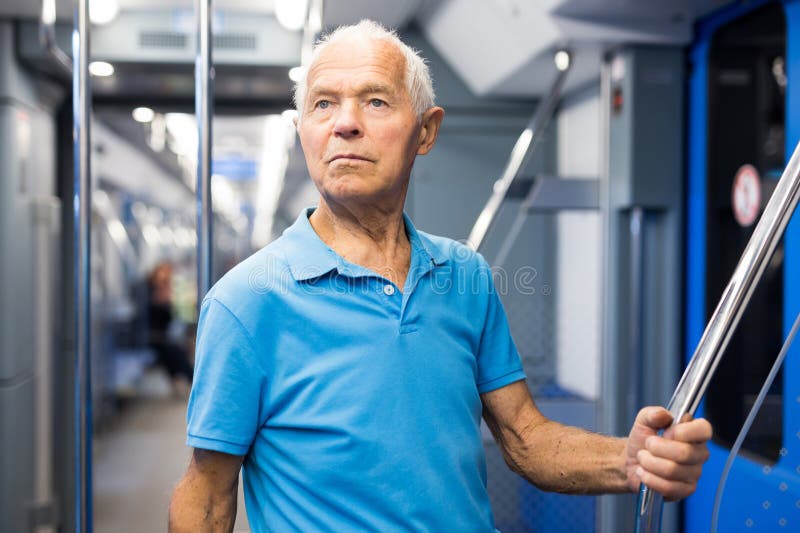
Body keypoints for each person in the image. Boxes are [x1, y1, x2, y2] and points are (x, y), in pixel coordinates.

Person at [169, 20, 712, 532]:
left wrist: (630, 459)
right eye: (322, 104)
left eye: (375, 100)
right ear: (303, 132)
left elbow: (525, 438)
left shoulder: (464, 275)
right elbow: (209, 494)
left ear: (426, 132)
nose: (345, 122)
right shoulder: (246, 303)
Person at [146, 262, 193, 393]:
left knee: (178, 351)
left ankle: (182, 379)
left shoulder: (160, 295)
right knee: (175, 353)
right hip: (157, 338)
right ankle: (187, 380)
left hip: (163, 337)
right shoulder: (156, 296)